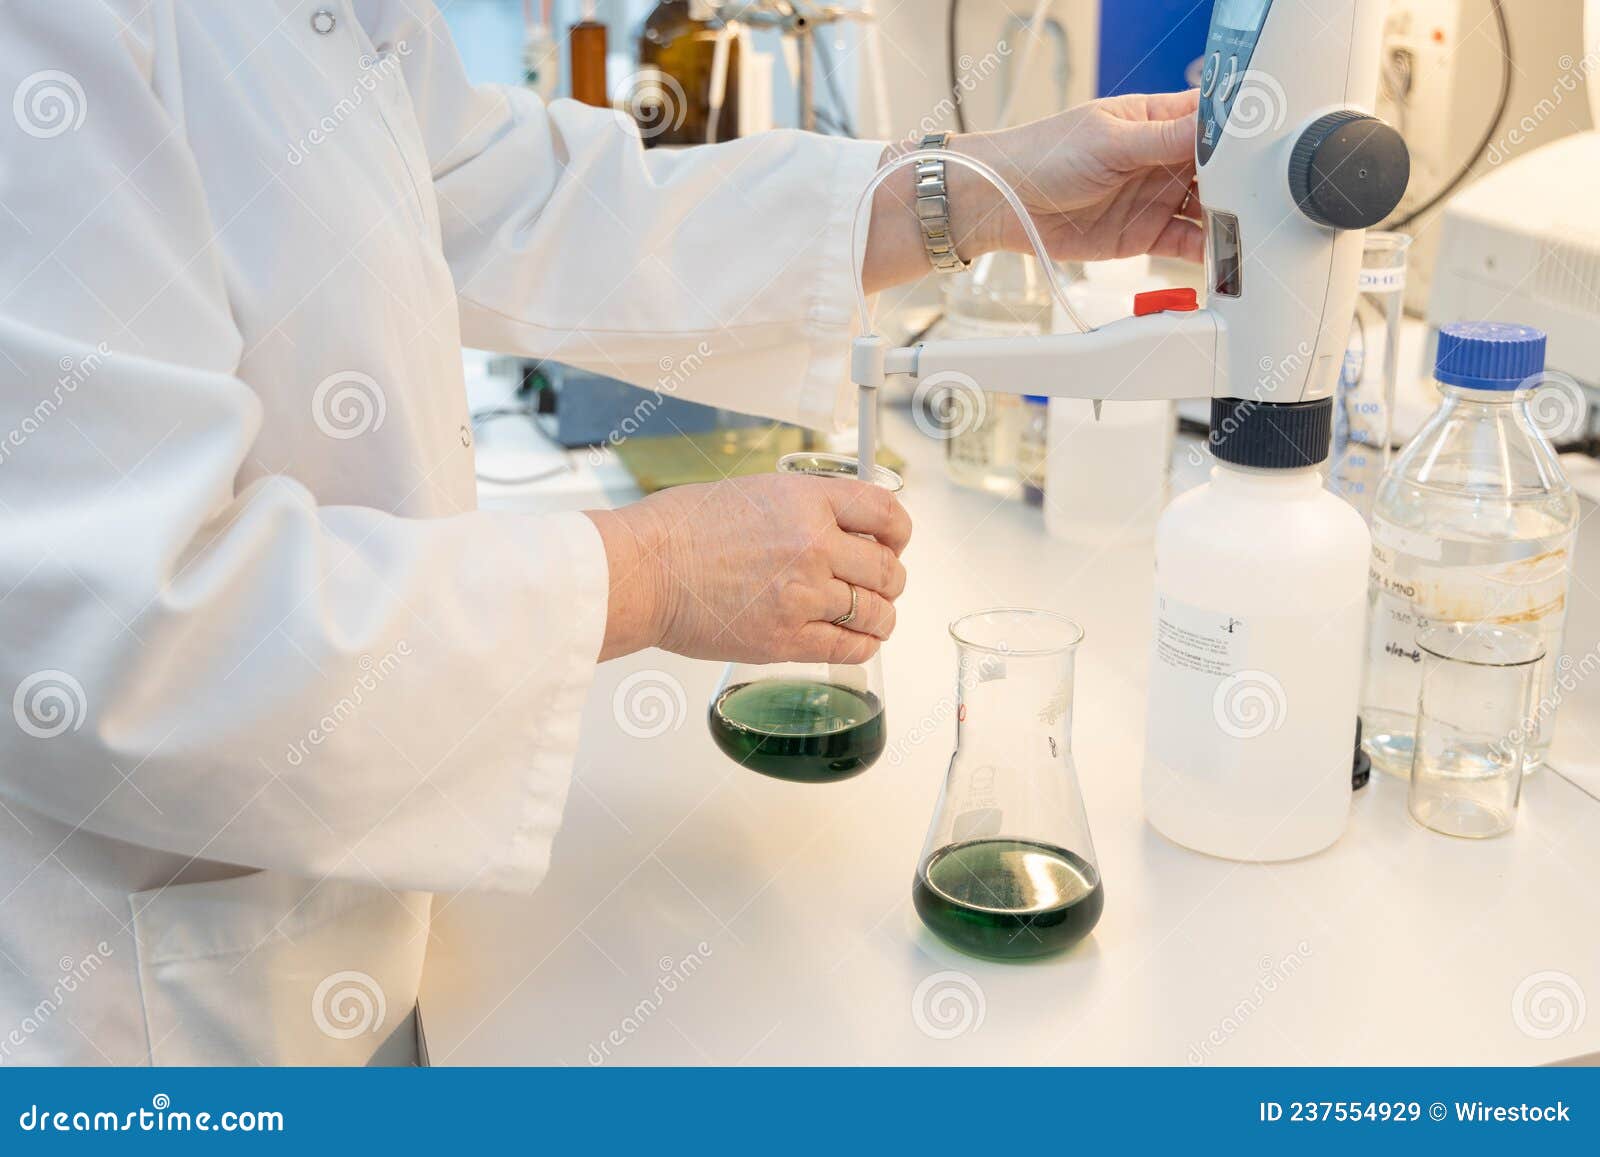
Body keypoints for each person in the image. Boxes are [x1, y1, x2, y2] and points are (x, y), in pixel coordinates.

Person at [0, 1, 1200, 1065]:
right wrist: (653, 570)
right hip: (142, 1031)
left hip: (329, 939)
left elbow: (518, 193)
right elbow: (119, 626)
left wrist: (973, 189)